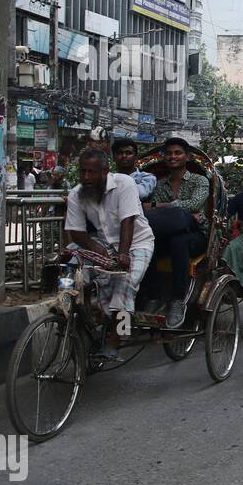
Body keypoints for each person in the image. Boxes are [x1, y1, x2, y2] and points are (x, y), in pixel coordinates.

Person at [63, 148, 155, 359]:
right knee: (70, 265)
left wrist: (123, 255)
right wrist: (97, 250)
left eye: (92, 172)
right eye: (83, 172)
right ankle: (74, 309)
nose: (86, 177)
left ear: (105, 171)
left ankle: (117, 338)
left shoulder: (124, 183)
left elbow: (127, 221)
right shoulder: (77, 194)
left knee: (126, 282)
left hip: (137, 244)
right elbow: (76, 232)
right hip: (103, 243)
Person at [142, 137, 209, 328]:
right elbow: (152, 212)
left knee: (178, 240)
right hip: (166, 235)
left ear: (187, 157)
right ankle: (153, 297)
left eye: (177, 153)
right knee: (147, 242)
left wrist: (168, 208)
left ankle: (178, 300)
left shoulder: (199, 180)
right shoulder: (160, 184)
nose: (173, 157)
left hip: (196, 237)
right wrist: (180, 212)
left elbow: (195, 203)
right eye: (169, 153)